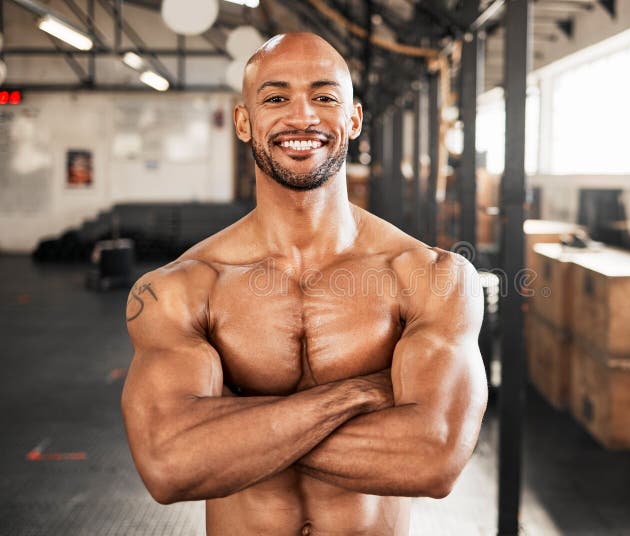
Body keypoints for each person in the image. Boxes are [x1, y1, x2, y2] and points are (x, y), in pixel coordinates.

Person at [121, 32, 487, 535]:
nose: (302, 117)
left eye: (324, 97)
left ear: (354, 119)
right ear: (244, 122)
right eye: (275, 98)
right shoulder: (180, 289)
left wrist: (236, 432)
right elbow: (170, 465)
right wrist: (361, 393)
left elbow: (432, 459)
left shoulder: (431, 276)